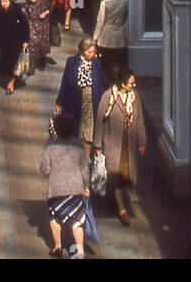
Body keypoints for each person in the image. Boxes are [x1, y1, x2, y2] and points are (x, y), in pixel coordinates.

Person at [40, 111, 95, 259]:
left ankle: (58, 246)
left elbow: (45, 169)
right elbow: (84, 169)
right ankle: (80, 251)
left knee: (54, 217)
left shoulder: (50, 147)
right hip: (75, 189)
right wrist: (86, 186)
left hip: (56, 189)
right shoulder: (78, 145)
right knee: (77, 220)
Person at [94, 70, 147, 223]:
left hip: (129, 143)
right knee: (116, 173)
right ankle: (121, 207)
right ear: (122, 83)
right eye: (131, 82)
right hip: (113, 142)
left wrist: (142, 140)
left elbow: (139, 119)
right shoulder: (108, 97)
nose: (134, 85)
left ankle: (117, 197)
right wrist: (98, 143)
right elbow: (100, 121)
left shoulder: (134, 97)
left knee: (125, 173)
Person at [56, 36, 106, 158]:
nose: (92, 54)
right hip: (75, 102)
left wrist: (103, 102)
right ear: (83, 51)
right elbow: (65, 82)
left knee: (89, 131)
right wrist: (60, 101)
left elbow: (100, 84)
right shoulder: (72, 62)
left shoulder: (97, 64)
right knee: (75, 129)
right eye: (89, 52)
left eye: (94, 52)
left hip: (91, 102)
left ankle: (86, 157)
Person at [0, 0, 29, 93]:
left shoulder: (16, 9)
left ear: (10, 1)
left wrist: (25, 40)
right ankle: (11, 78)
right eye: (2, 1)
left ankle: (11, 84)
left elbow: (25, 24)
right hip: (3, 42)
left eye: (6, 1)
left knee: (13, 63)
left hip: (15, 41)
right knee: (4, 64)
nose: (4, 4)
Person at [93, 0, 128, 84]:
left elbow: (100, 22)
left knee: (105, 61)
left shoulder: (105, 3)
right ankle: (117, 81)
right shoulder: (123, 2)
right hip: (119, 36)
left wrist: (95, 37)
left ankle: (105, 82)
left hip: (106, 36)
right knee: (117, 61)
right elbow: (125, 16)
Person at [25, 0, 52, 74]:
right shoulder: (28, 2)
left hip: (43, 25)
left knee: (42, 44)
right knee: (31, 45)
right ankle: (32, 66)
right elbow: (26, 13)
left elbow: (52, 8)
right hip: (32, 25)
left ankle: (42, 58)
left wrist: (45, 13)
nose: (32, 0)